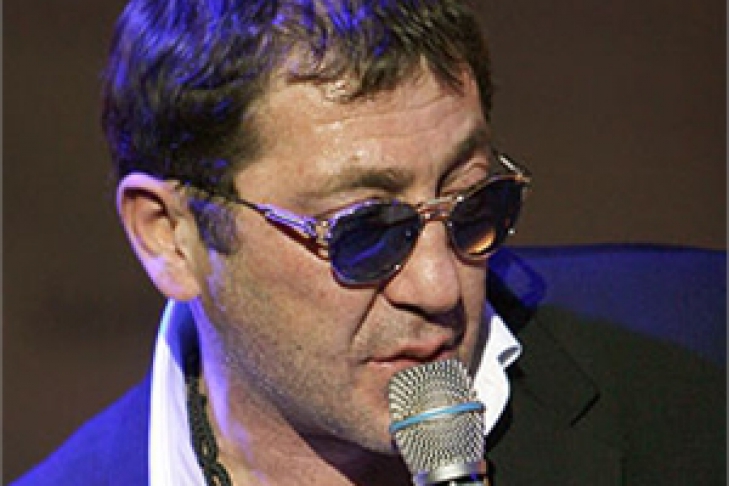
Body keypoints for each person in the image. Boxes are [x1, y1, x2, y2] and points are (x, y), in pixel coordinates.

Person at [11, 0, 724, 485]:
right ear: (170, 237)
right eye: (365, 231)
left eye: (475, 203)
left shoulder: (699, 361)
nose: (438, 288)